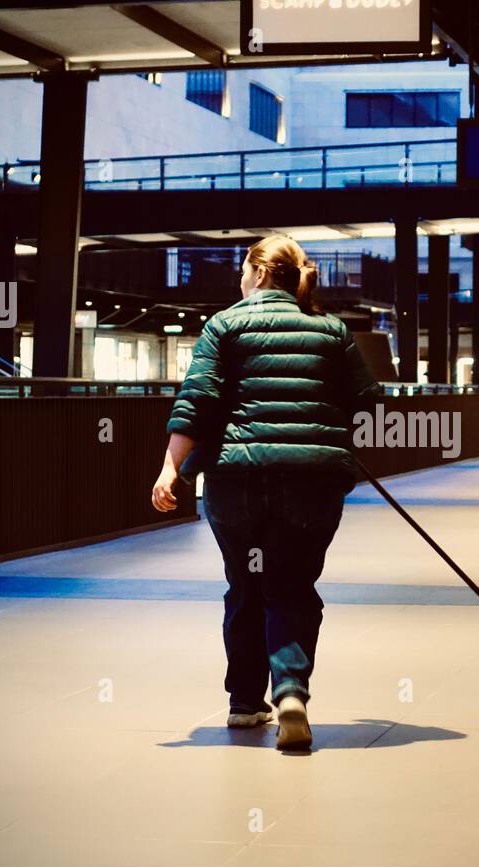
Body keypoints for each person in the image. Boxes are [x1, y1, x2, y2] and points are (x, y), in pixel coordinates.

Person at [152, 235, 380, 749]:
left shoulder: (225, 325)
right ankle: (292, 691)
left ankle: (244, 703)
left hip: (236, 484)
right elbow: (368, 396)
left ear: (257, 271)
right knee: (293, 585)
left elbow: (196, 403)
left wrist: (171, 471)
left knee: (245, 584)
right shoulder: (331, 329)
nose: (239, 278)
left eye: (242, 269)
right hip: (312, 481)